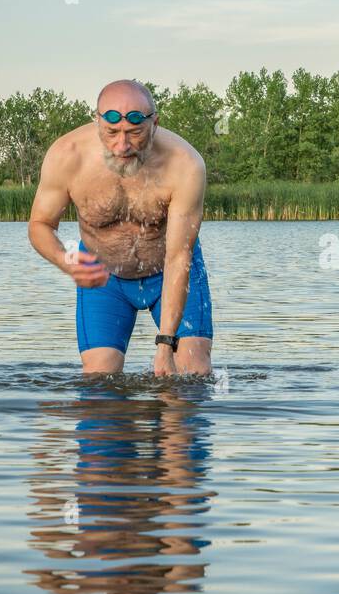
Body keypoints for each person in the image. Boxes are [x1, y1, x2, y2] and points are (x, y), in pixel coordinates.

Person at [27, 79, 212, 376]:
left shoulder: (185, 164)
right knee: (100, 380)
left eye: (134, 133)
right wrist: (67, 260)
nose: (122, 146)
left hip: (169, 270)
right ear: (97, 121)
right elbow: (40, 224)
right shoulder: (67, 155)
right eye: (111, 133)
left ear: (155, 124)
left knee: (192, 372)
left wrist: (165, 345)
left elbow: (179, 257)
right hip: (104, 277)